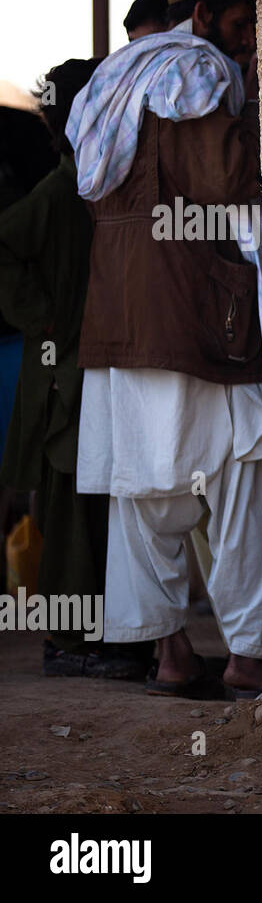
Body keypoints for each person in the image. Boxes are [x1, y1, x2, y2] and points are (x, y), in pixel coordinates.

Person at [68, 0, 262, 699]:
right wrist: (257, 119)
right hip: (190, 314)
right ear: (206, 19)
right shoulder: (196, 78)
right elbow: (226, 182)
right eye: (242, 26)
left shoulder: (117, 80)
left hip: (120, 318)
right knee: (238, 476)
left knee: (143, 489)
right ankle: (249, 656)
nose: (248, 42)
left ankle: (173, 655)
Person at [0, 57, 153, 678]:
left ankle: (101, 635)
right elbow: (4, 245)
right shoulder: (62, 191)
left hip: (90, 371)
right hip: (64, 374)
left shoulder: (94, 188)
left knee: (96, 504)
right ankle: (67, 641)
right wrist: (42, 320)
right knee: (66, 507)